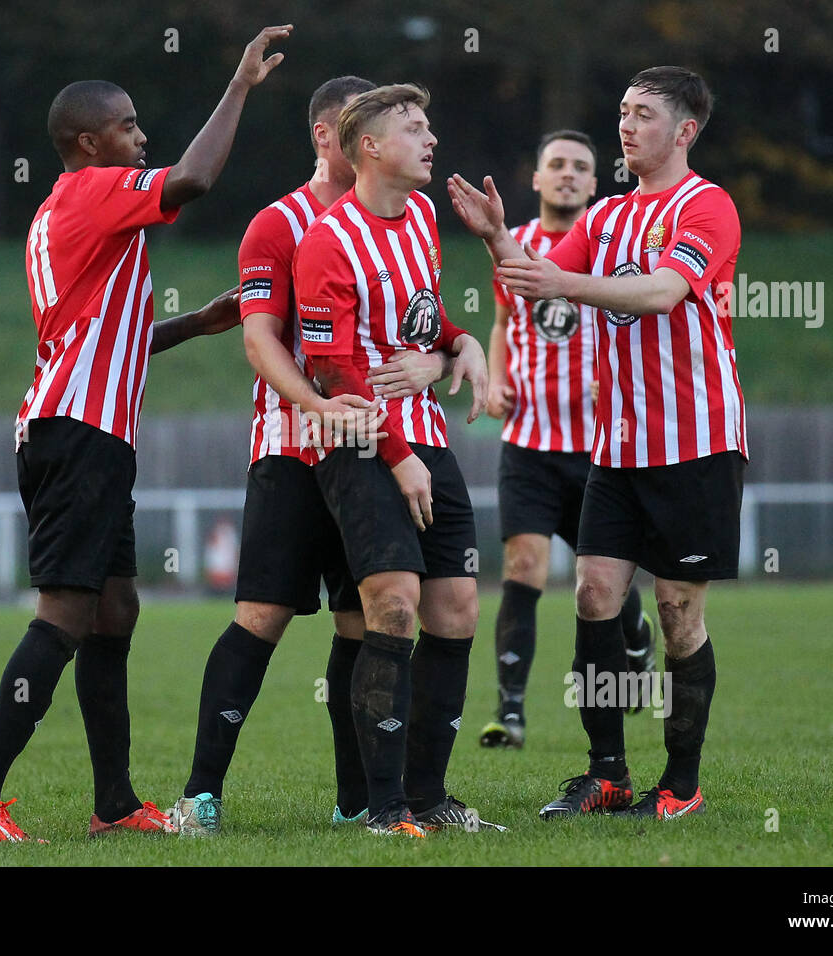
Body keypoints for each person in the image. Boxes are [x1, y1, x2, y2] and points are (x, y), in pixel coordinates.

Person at [0, 25, 294, 843]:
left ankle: (114, 804)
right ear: (89, 142)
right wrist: (239, 83)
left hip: (78, 431)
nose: (143, 137)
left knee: (115, 610)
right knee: (65, 612)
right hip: (79, 436)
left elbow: (99, 333)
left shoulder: (58, 213)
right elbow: (196, 179)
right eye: (130, 126)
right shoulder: (96, 191)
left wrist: (198, 324)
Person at [167, 76, 464, 836]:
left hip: (370, 442)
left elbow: (418, 324)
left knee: (366, 624)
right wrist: (319, 408)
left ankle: (360, 800)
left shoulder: (405, 216)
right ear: (327, 136)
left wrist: (442, 359)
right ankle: (201, 794)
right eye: (337, 128)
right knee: (262, 615)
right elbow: (261, 339)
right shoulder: (282, 224)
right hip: (297, 447)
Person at [449, 65, 744, 819]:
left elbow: (661, 292)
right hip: (617, 448)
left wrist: (565, 285)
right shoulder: (606, 217)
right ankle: (605, 772)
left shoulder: (705, 206)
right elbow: (527, 281)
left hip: (697, 443)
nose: (626, 124)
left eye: (643, 114)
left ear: (684, 131)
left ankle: (680, 787)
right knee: (593, 593)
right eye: (622, 110)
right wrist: (493, 233)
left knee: (678, 612)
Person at [295, 84, 495, 837]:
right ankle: (384, 813)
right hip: (358, 447)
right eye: (414, 128)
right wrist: (397, 453)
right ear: (369, 147)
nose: (431, 137)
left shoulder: (418, 219)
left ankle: (430, 797)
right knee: (396, 608)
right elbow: (333, 371)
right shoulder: (327, 240)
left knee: (457, 608)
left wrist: (461, 344)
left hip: (424, 443)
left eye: (430, 125)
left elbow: (424, 318)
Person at [477, 130, 655, 752]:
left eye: (580, 167)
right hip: (527, 443)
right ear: (536, 178)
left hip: (597, 448)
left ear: (594, 182)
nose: (568, 175)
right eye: (556, 164)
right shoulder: (516, 245)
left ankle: (638, 638)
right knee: (522, 566)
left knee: (600, 578)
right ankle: (511, 710)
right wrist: (497, 377)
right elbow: (501, 322)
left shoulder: (608, 245)